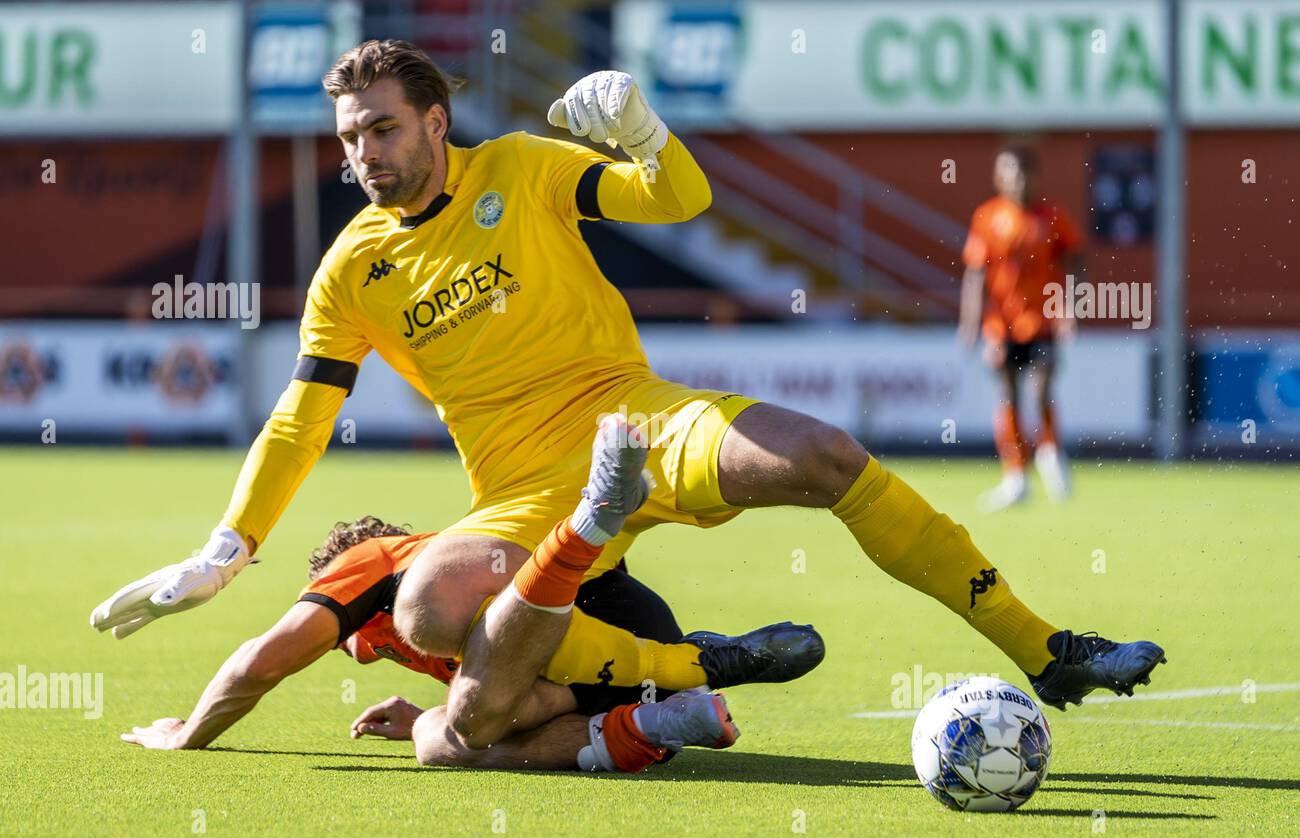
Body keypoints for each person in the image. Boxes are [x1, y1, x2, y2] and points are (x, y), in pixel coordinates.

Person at [93, 42, 1164, 747]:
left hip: (638, 419)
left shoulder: (521, 165)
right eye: (346, 139)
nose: (361, 153)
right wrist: (227, 548)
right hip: (521, 490)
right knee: (424, 605)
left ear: (432, 123)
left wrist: (645, 137)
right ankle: (690, 675)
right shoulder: (350, 269)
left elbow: (676, 198)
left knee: (828, 456)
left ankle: (1045, 651)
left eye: (379, 128)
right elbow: (299, 418)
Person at [121, 416, 825, 773]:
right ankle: (668, 712)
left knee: (447, 739)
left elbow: (262, 663)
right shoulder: (443, 571)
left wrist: (187, 734)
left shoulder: (378, 563)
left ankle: (670, 675)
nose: (359, 655)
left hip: (578, 625)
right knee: (483, 712)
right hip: (622, 650)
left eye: (348, 639)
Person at [958, 146, 1084, 511]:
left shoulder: (1052, 217)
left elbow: (1075, 262)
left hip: (1042, 320)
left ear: (1034, 176)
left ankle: (1049, 453)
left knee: (1042, 387)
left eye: (1023, 172)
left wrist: (1071, 308)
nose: (1017, 179)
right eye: (1010, 172)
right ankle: (1015, 476)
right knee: (1008, 393)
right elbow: (975, 274)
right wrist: (969, 324)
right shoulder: (987, 217)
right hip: (1001, 325)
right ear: (999, 177)